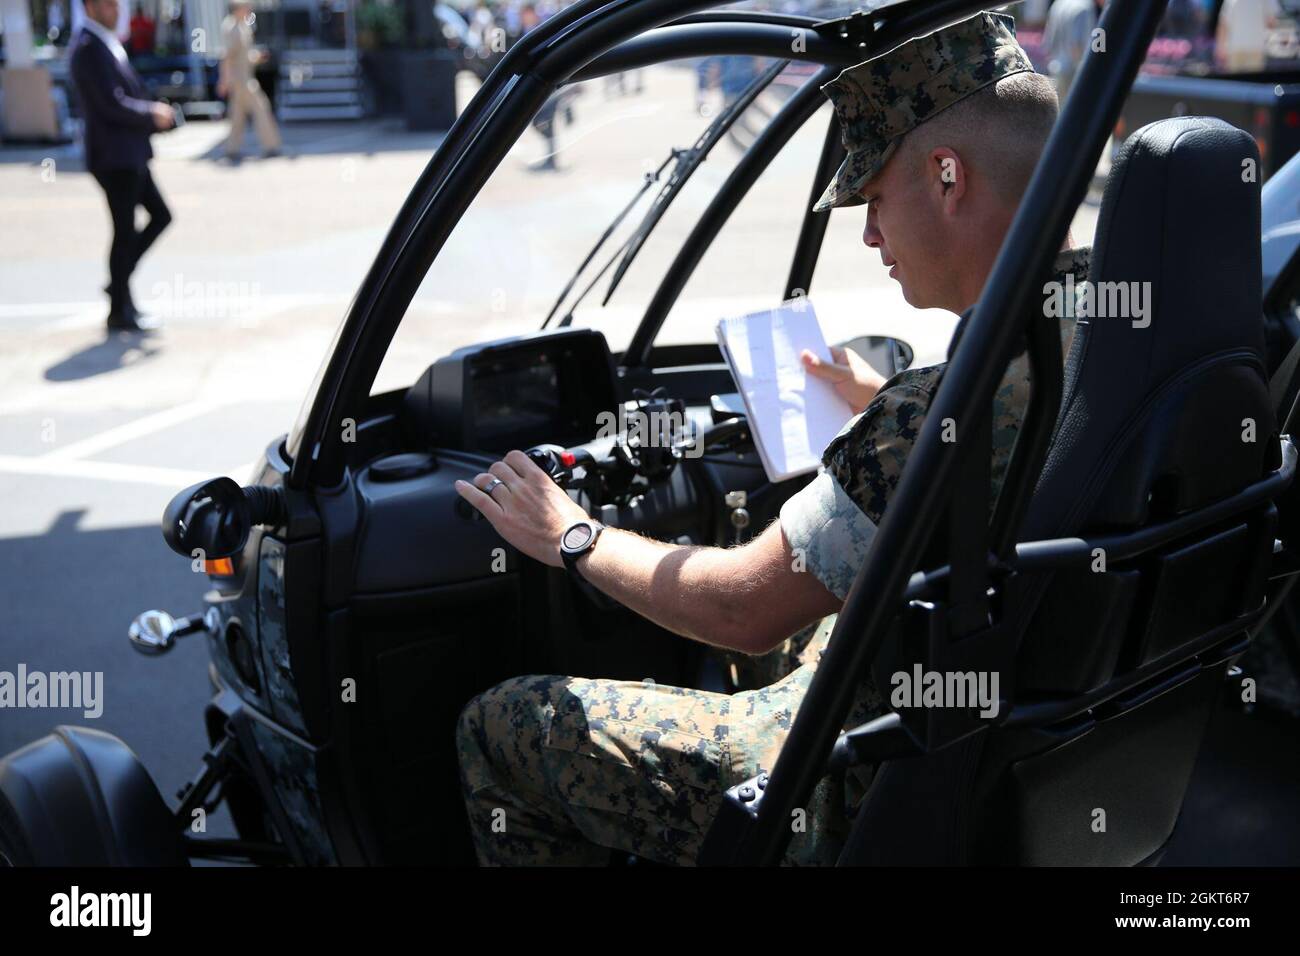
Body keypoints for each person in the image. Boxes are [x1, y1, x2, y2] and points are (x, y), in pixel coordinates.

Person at [453, 10, 1090, 865]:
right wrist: (881, 403)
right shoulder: (1090, 328)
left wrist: (568, 531)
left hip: (870, 782)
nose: (868, 235)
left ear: (948, 176)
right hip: (1018, 732)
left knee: (501, 726)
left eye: (873, 195)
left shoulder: (939, 412)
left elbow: (741, 608)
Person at [69, 0, 176, 333]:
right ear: (90, 7)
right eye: (108, 3)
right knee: (124, 231)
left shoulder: (105, 41)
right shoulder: (87, 47)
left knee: (160, 215)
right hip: (114, 157)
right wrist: (151, 114)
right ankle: (120, 309)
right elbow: (110, 104)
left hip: (130, 154)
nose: (116, 9)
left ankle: (118, 286)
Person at [219, 0, 282, 161]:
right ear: (238, 9)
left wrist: (257, 57)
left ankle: (232, 149)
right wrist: (224, 80)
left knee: (237, 115)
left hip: (245, 77)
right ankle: (271, 145)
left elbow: (243, 56)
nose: (249, 10)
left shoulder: (242, 26)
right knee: (261, 108)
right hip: (241, 80)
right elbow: (226, 57)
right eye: (246, 7)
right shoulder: (232, 28)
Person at [1042, 0, 1102, 103]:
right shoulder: (1085, 7)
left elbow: (1049, 42)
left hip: (1056, 69)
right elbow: (1076, 45)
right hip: (1074, 73)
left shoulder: (1058, 3)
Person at [1216, 0, 1280, 72]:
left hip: (1238, 48)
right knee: (1253, 81)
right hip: (1254, 48)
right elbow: (1271, 22)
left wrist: (1220, 47)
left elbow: (1224, 24)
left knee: (1236, 81)